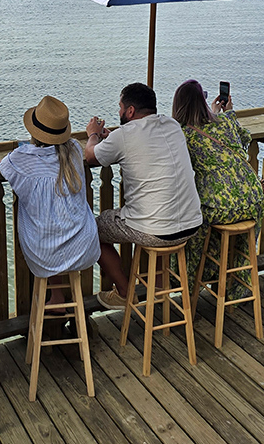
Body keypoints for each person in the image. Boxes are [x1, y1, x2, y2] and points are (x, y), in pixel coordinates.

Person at [85, 82, 203, 310]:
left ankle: (123, 293)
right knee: (156, 213)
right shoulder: (172, 125)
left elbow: (90, 156)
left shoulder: (125, 135)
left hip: (156, 231)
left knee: (92, 230)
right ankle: (159, 291)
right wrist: (113, 139)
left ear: (130, 111)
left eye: (120, 108)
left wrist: (93, 134)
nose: (119, 112)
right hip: (191, 224)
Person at [0, 96, 100, 309]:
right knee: (60, 224)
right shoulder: (73, 149)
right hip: (84, 247)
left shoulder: (19, 159)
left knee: (47, 230)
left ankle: (57, 298)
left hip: (43, 255)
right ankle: (63, 299)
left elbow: (3, 165)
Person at [171, 79, 264, 294]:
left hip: (222, 208)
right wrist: (224, 113)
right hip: (254, 200)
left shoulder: (184, 134)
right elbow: (245, 139)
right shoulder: (225, 121)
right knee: (223, 228)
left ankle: (189, 281)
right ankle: (236, 285)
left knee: (192, 224)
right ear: (203, 102)